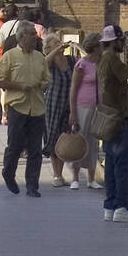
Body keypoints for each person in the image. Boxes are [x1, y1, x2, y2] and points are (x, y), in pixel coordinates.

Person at [0, 23, 49, 197]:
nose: (35, 37)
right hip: (17, 106)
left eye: (36, 34)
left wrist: (44, 84)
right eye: (32, 34)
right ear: (21, 37)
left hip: (37, 108)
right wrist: (19, 86)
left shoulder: (40, 57)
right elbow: (0, 81)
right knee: (15, 146)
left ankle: (32, 186)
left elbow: (47, 79)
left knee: (35, 149)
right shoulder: (9, 56)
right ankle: (8, 173)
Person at [98, 26, 128, 223]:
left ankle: (110, 206)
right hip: (121, 119)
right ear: (116, 42)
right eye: (122, 41)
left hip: (108, 119)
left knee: (111, 164)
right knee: (123, 165)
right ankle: (122, 206)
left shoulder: (102, 60)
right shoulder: (112, 59)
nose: (124, 43)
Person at [67, 33, 103, 189]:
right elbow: (73, 89)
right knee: (80, 140)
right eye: (101, 45)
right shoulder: (82, 64)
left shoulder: (102, 63)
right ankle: (75, 177)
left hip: (97, 107)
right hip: (83, 106)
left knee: (94, 141)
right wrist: (73, 111)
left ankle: (91, 179)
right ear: (95, 47)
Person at [41, 33, 73, 187]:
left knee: (64, 137)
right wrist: (55, 51)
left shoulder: (71, 60)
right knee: (53, 137)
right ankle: (57, 175)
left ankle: (61, 174)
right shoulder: (49, 62)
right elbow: (43, 64)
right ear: (49, 48)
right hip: (53, 104)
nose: (60, 44)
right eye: (56, 43)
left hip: (68, 104)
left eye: (60, 42)